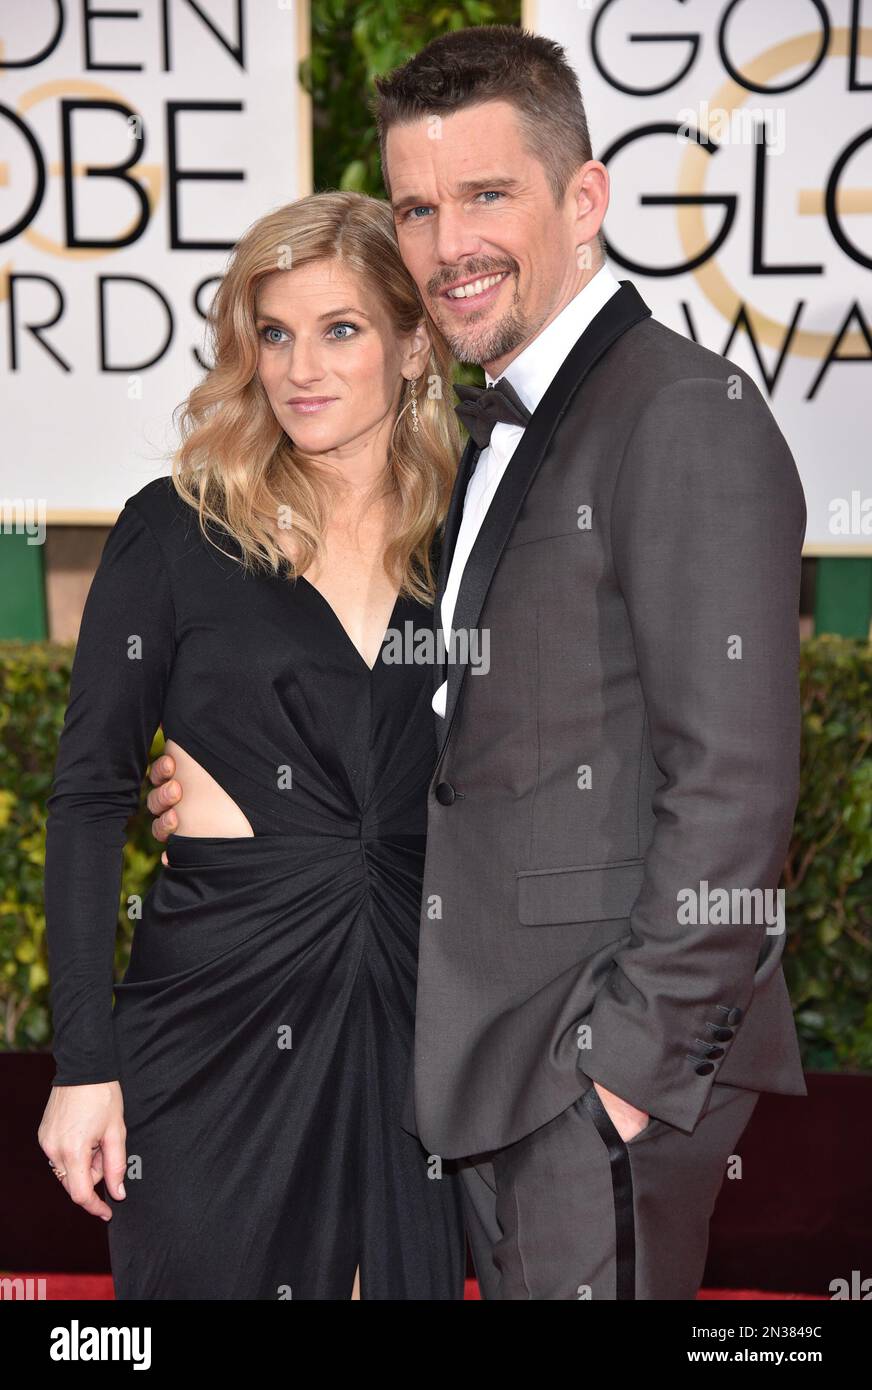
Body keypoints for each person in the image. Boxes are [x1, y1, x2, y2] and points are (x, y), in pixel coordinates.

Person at [148, 25, 810, 1300]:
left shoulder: (677, 414)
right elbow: (448, 729)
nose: (448, 244)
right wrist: (248, 781)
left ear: (585, 199)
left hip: (590, 1080)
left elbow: (734, 788)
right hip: (481, 1065)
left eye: (487, 196)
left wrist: (621, 1077)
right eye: (415, 207)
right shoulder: (474, 436)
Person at [38, 191, 467, 1300]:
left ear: (412, 343)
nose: (299, 367)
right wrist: (82, 1063)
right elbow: (89, 796)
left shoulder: (478, 533)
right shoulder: (176, 530)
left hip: (418, 1009)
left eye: (341, 329)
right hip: (217, 1005)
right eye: (272, 332)